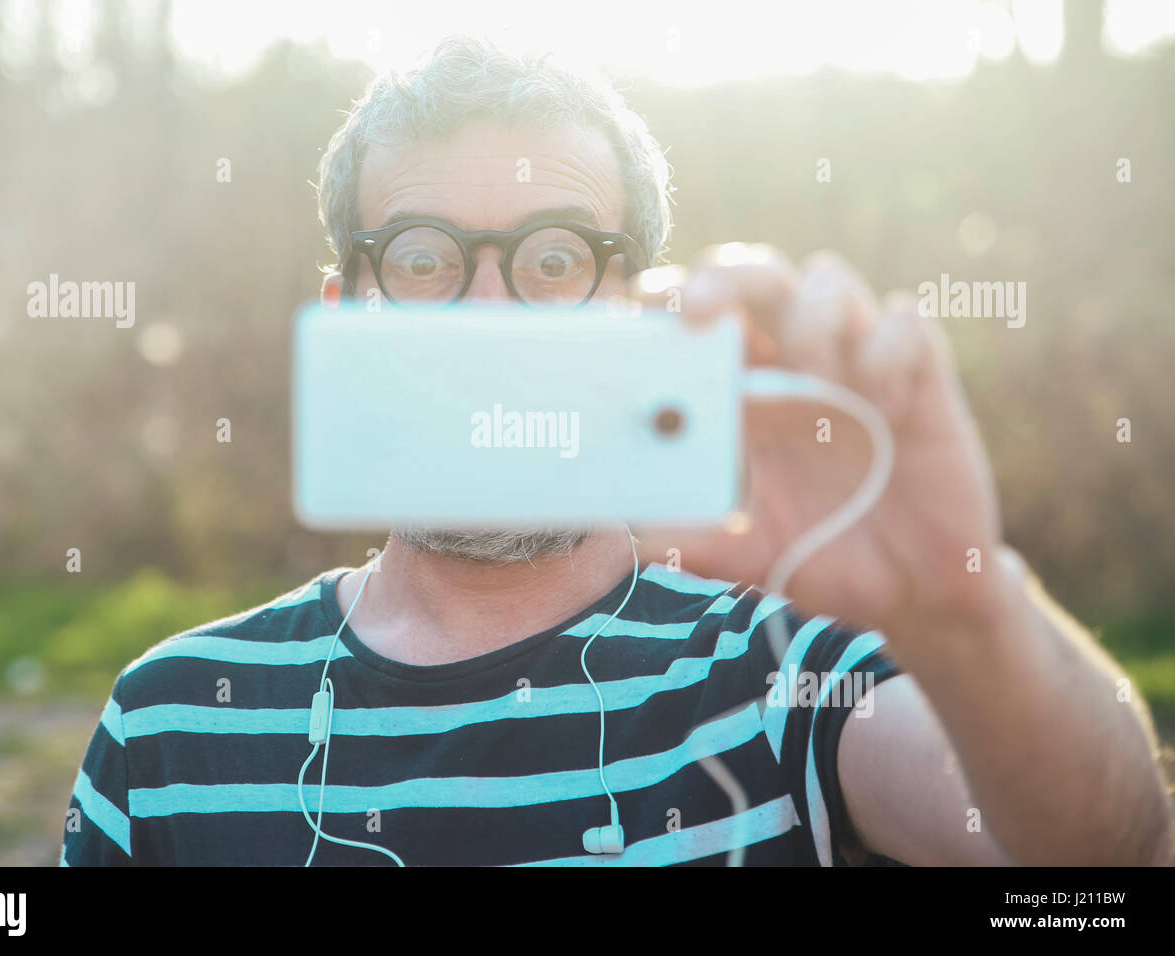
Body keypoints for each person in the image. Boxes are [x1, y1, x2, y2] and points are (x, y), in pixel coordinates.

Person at [62, 35, 1171, 866]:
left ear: (640, 308)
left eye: (552, 261)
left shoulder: (791, 671)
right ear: (342, 308)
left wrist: (960, 610)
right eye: (420, 258)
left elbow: (1100, 868)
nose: (487, 320)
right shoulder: (170, 721)